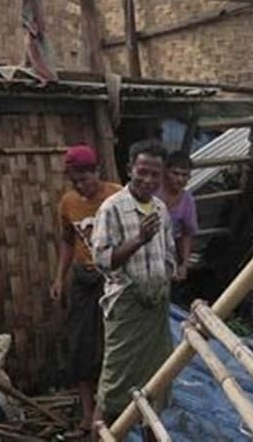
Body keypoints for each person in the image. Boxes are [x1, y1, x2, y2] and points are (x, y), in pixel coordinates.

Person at [91, 139, 176, 426]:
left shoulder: (161, 209)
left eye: (155, 174)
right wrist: (138, 239)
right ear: (130, 169)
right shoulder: (112, 208)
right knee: (115, 384)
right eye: (143, 172)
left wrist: (163, 282)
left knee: (157, 380)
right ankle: (104, 434)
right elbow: (102, 260)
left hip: (156, 307)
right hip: (126, 306)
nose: (148, 180)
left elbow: (169, 255)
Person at [49, 144, 122, 431]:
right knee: (80, 345)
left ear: (97, 172)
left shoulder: (118, 196)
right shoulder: (68, 203)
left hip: (112, 278)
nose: (80, 186)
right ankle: (87, 412)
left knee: (111, 344)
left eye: (85, 179)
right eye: (74, 181)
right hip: (82, 279)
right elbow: (68, 241)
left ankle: (110, 412)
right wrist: (59, 278)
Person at [156, 151, 198, 282]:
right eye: (175, 173)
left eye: (184, 175)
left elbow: (187, 234)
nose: (180, 179)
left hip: (170, 251)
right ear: (165, 172)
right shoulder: (152, 192)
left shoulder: (187, 201)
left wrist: (184, 265)